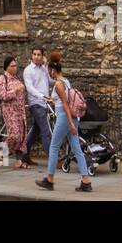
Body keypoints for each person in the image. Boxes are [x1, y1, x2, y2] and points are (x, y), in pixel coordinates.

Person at [36, 51, 91, 192]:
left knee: (54, 147)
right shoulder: (66, 81)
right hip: (70, 117)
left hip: (64, 118)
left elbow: (65, 105)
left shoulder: (58, 85)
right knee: (76, 148)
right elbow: (63, 101)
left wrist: (70, 123)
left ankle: (49, 179)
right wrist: (52, 100)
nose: (49, 74)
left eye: (49, 71)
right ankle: (86, 181)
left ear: (53, 71)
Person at [0, 54, 29, 168]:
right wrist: (16, 90)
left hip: (20, 111)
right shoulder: (2, 78)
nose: (15, 68)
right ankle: (1, 152)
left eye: (16, 65)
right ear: (7, 67)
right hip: (10, 112)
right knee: (14, 135)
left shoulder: (16, 78)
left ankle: (19, 161)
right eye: (12, 66)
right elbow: (2, 96)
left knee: (21, 136)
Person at [23, 47, 52, 161]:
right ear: (31, 55)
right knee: (46, 131)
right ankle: (52, 159)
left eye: (39, 54)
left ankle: (24, 155)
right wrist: (42, 96)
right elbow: (29, 88)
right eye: (34, 54)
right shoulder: (28, 70)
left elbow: (51, 81)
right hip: (35, 104)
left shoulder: (44, 68)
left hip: (45, 103)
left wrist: (48, 68)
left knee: (36, 130)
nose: (36, 57)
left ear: (42, 56)